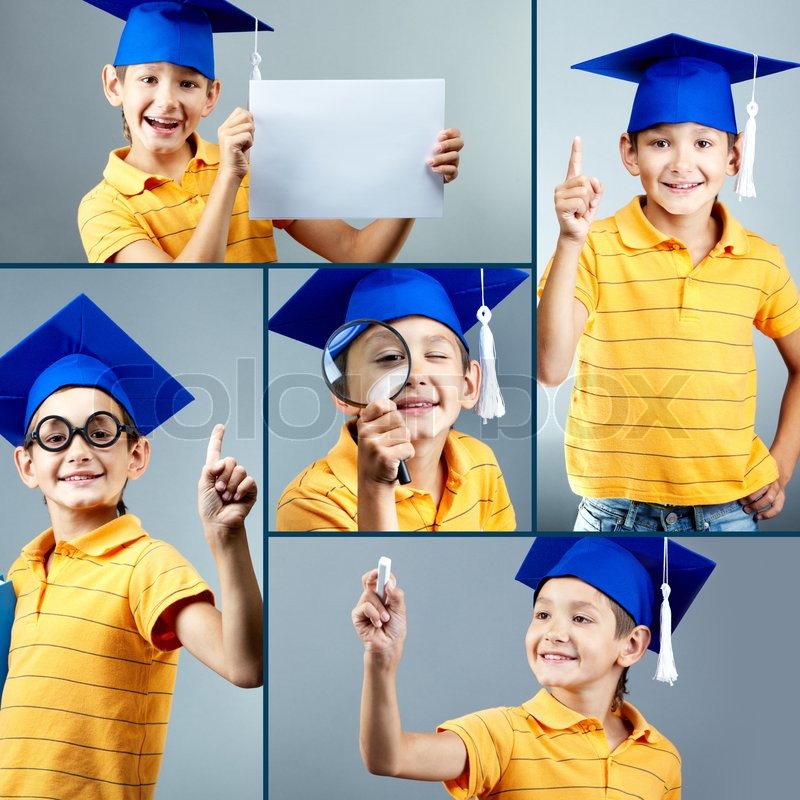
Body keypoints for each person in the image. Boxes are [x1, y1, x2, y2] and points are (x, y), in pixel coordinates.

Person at [0, 294, 263, 799]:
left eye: (100, 433)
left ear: (136, 455)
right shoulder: (21, 577)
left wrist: (225, 538)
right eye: (55, 437)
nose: (78, 450)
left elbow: (245, 665)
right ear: (27, 465)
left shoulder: (146, 565)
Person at [536, 33, 800, 531]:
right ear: (630, 154)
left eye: (704, 142)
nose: (682, 163)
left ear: (734, 157)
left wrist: (782, 462)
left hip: (729, 509)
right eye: (660, 143)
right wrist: (569, 240)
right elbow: (549, 369)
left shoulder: (760, 260)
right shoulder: (593, 247)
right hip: (614, 511)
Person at [77, 0, 463, 263]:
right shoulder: (104, 208)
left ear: (212, 97)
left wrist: (418, 175)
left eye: (188, 84)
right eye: (147, 79)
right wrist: (230, 176)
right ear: (114, 86)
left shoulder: (259, 170)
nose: (167, 101)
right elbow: (187, 289)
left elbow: (356, 251)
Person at [351, 536, 715, 800]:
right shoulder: (502, 735)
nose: (554, 632)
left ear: (632, 645)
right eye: (542, 614)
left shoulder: (661, 757)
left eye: (581, 618)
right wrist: (381, 659)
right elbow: (390, 757)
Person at [269, 267, 529, 531]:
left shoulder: (480, 462)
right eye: (390, 358)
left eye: (437, 355)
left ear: (469, 385)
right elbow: (373, 565)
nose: (414, 376)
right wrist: (375, 487)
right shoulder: (312, 501)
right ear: (343, 392)